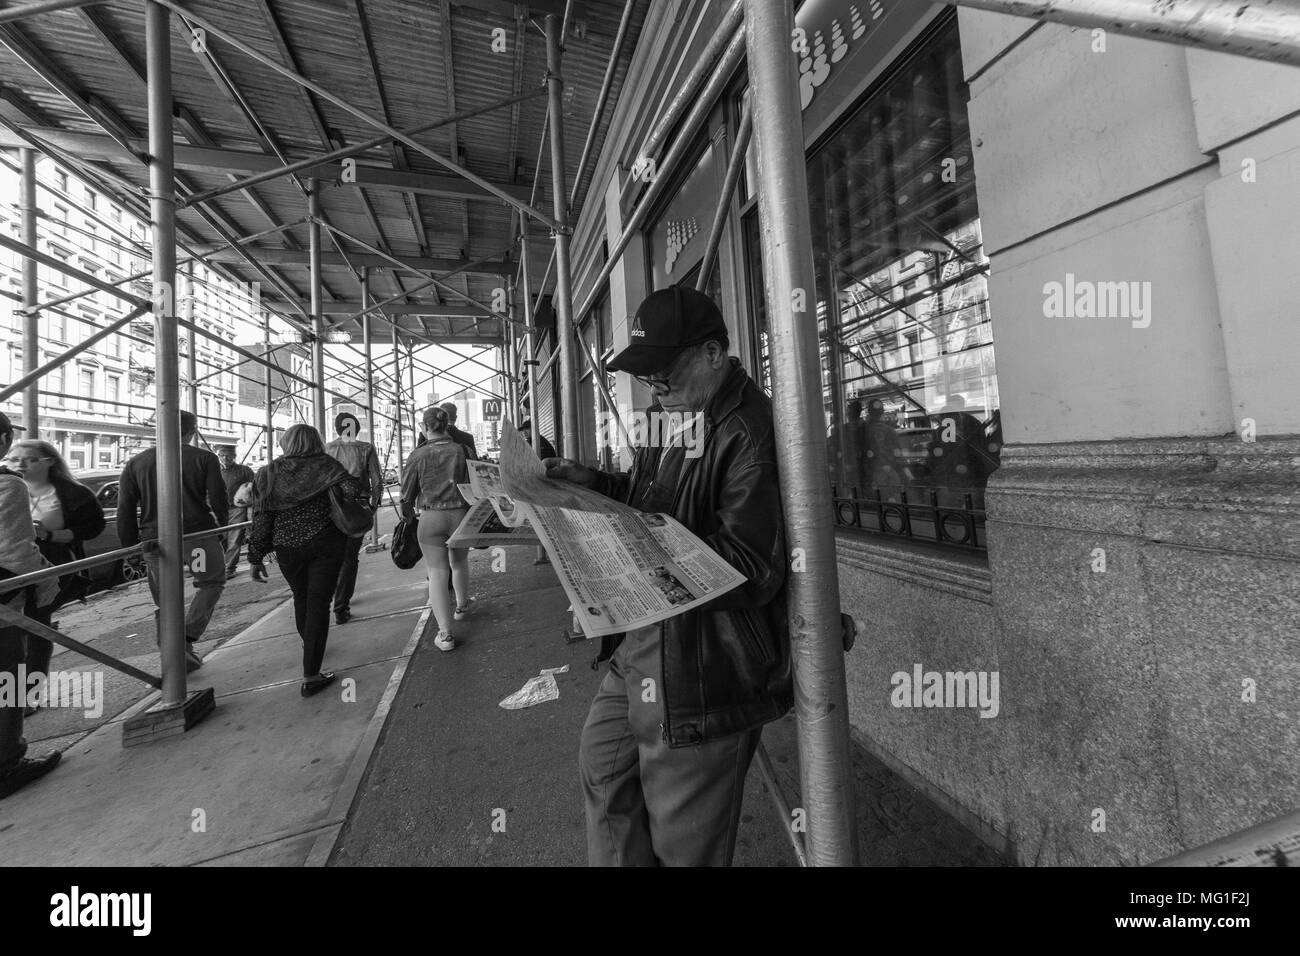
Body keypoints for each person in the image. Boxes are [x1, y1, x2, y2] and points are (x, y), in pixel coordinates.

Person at [544, 285, 791, 867]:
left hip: (704, 661)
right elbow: (645, 498)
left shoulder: (750, 432)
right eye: (644, 373)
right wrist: (595, 483)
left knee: (685, 841)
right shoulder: (670, 415)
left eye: (664, 370)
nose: (653, 386)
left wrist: (639, 552)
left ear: (712, 353)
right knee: (603, 767)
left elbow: (752, 568)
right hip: (643, 639)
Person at [247, 424, 362, 697]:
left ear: (286, 443)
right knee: (319, 602)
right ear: (315, 441)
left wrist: (255, 557)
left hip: (287, 547)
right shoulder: (326, 465)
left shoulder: (268, 473)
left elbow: (262, 519)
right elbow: (352, 492)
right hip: (326, 541)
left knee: (301, 597)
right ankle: (311, 673)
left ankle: (310, 646)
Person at [117, 411, 227, 673]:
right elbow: (219, 497)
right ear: (191, 431)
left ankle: (172, 651)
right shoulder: (204, 458)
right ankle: (186, 637)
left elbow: (125, 509)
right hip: (197, 537)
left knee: (165, 597)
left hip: (154, 540)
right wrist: (223, 527)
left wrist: (130, 546)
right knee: (210, 582)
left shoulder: (136, 463)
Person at [4, 439, 105, 710]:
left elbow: (92, 527)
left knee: (37, 630)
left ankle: (28, 696)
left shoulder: (72, 493)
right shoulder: (8, 486)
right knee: (15, 635)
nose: (19, 464)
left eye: (29, 459)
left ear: (49, 461)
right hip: (11, 569)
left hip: (49, 566)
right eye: (14, 459)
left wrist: (48, 533)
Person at [0, 411, 61, 798]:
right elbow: (16, 551)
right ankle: (7, 763)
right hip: (4, 603)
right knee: (6, 680)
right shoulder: (9, 487)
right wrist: (44, 581)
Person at [400, 406, 470, 652]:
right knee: (459, 563)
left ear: (425, 427)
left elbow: (407, 495)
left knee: (437, 572)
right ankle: (462, 606)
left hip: (431, 518)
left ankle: (446, 635)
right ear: (447, 425)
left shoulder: (418, 455)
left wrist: (407, 515)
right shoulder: (462, 450)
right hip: (461, 515)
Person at [324, 413, 383, 625]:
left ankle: (335, 596)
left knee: (333, 556)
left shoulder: (326, 449)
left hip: (329, 509)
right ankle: (341, 607)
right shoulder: (365, 448)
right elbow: (377, 483)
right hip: (357, 508)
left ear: (337, 428)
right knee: (349, 557)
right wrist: (372, 508)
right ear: (356, 429)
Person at [862, 398, 913, 501]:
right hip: (888, 472)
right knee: (893, 501)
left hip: (870, 474)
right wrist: (907, 472)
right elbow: (897, 453)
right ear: (883, 412)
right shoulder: (889, 430)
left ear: (869, 412)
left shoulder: (863, 430)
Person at [217, 445, 255, 579]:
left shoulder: (244, 470)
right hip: (217, 509)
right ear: (218, 456)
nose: (225, 458)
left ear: (234, 456)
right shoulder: (213, 470)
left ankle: (229, 568)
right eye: (222, 455)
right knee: (219, 539)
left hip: (238, 509)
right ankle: (219, 567)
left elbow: (255, 487)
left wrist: (248, 499)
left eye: (228, 455)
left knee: (235, 538)